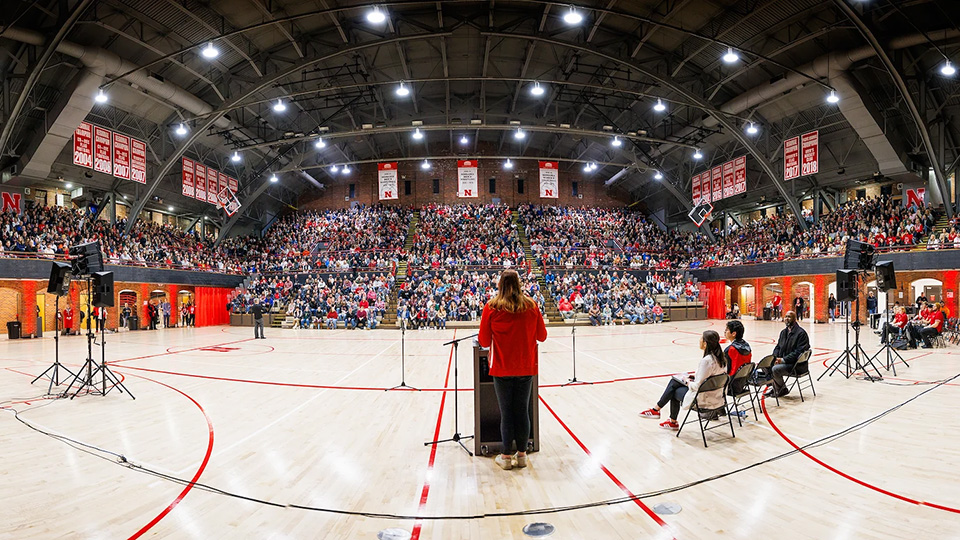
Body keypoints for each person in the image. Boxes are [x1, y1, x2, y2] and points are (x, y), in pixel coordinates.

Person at [478, 269, 547, 471]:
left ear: (499, 284)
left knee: (507, 412)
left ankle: (506, 455)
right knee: (522, 411)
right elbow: (542, 336)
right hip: (526, 367)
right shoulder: (531, 306)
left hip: (501, 368)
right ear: (519, 284)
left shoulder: (491, 307)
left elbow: (483, 341)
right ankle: (523, 455)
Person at [638, 330, 728, 429]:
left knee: (674, 389)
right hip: (717, 397)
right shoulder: (721, 358)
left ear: (705, 343)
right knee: (675, 382)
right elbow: (712, 377)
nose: (699, 341)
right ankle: (659, 412)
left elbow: (697, 386)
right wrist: (695, 377)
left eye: (701, 339)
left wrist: (687, 381)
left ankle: (661, 413)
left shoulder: (706, 361)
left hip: (704, 399)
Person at [766, 311, 810, 398]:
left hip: (796, 365)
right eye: (785, 316)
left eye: (789, 317)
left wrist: (783, 360)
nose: (786, 318)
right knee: (766, 365)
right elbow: (778, 347)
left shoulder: (801, 333)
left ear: (795, 319)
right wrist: (775, 357)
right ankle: (775, 387)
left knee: (775, 369)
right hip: (785, 361)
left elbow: (798, 352)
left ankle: (781, 390)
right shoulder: (783, 332)